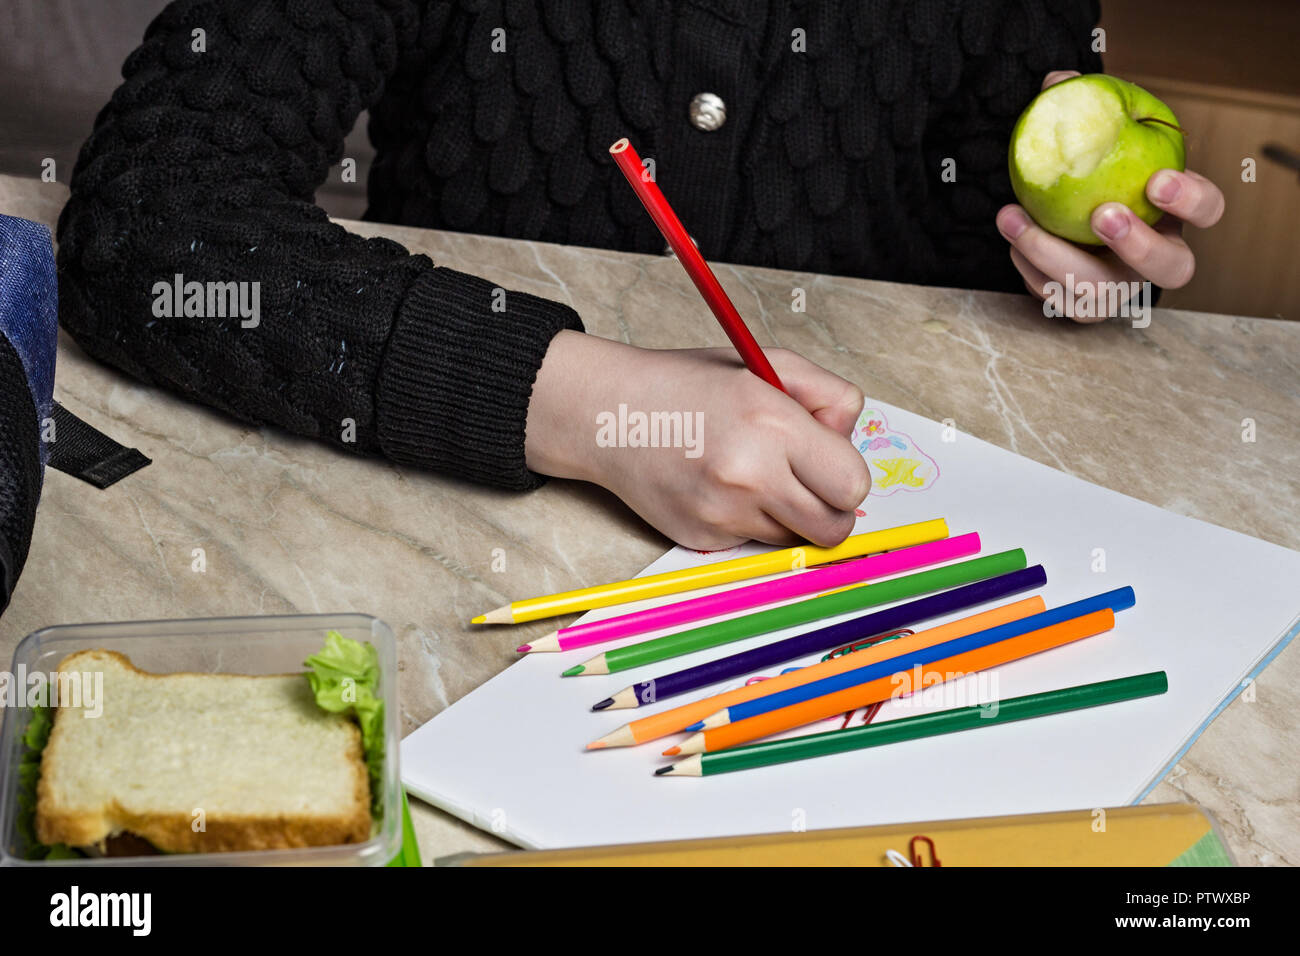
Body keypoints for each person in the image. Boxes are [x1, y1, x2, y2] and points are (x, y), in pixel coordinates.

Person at [55, 0, 1224, 551]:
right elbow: (148, 222)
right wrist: (588, 406)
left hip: (879, 566)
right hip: (450, 540)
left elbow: (997, 208)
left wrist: (1098, 271)